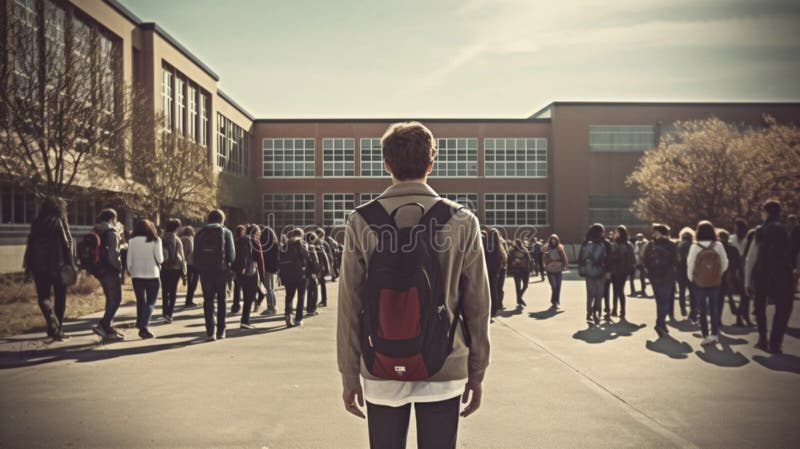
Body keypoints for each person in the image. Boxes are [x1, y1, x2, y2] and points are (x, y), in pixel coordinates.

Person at [337, 121, 490, 449]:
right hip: (444, 364)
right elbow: (478, 304)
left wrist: (350, 374)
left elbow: (350, 304)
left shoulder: (361, 221)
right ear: (431, 163)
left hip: (380, 363)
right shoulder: (462, 220)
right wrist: (477, 371)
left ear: (386, 164)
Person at [745, 200, 794, 354]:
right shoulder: (787, 230)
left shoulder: (760, 230)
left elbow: (751, 258)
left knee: (760, 307)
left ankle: (762, 340)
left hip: (762, 274)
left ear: (766, 213)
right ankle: (776, 342)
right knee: (783, 308)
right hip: (783, 275)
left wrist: (747, 280)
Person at [23, 197, 74, 341]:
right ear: (59, 208)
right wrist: (71, 265)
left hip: (39, 267)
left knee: (43, 297)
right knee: (60, 299)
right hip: (58, 266)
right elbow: (66, 244)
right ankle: (58, 330)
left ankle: (51, 322)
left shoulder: (36, 223)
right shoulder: (58, 221)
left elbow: (30, 246)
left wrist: (28, 267)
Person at [194, 209, 236, 341]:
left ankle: (210, 331)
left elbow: (195, 255)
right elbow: (232, 255)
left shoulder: (200, 233)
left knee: (208, 301)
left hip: (205, 271)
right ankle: (221, 330)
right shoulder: (226, 232)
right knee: (222, 300)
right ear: (222, 219)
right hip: (221, 271)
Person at [687, 221, 728, 346]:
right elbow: (725, 262)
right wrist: (718, 274)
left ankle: (705, 335)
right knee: (714, 308)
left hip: (699, 282)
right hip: (715, 281)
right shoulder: (718, 245)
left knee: (702, 309)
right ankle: (714, 334)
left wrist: (692, 278)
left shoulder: (695, 246)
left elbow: (690, 264)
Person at [90, 208, 125, 340]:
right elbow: (113, 254)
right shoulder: (111, 232)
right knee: (116, 299)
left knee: (110, 299)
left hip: (100, 269)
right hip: (110, 270)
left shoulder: (97, 230)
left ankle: (108, 329)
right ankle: (103, 324)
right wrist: (119, 268)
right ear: (112, 218)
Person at [126, 219, 163, 339]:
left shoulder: (132, 241)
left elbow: (129, 261)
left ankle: (139, 321)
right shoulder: (156, 240)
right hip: (152, 274)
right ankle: (144, 327)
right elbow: (160, 259)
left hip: (137, 275)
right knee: (150, 302)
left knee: (140, 300)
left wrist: (132, 271)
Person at [643, 223, 678, 338]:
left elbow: (644, 260)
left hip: (654, 276)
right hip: (668, 277)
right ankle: (660, 323)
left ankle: (661, 323)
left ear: (658, 232)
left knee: (659, 301)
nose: (653, 233)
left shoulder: (651, 245)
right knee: (666, 301)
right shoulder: (672, 245)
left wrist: (649, 271)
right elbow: (676, 261)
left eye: (654, 231)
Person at [232, 224, 266, 329]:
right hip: (251, 272)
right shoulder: (255, 242)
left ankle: (245, 320)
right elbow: (260, 261)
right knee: (249, 297)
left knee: (246, 295)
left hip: (239, 272)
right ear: (256, 232)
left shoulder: (238, 240)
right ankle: (245, 321)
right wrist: (262, 276)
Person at [278, 227, 313, 327]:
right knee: (300, 297)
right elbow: (307, 257)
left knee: (289, 296)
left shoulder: (285, 244)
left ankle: (288, 314)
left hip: (287, 274)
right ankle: (298, 319)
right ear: (301, 235)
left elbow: (279, 258)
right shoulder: (301, 243)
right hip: (300, 274)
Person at [578, 223, 612, 325]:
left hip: (589, 272)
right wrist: (608, 272)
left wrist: (583, 269)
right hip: (601, 272)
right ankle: (597, 312)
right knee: (599, 294)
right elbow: (609, 259)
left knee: (590, 293)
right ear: (601, 232)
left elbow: (580, 258)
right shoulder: (606, 243)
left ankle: (589, 312)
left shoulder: (586, 243)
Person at [160, 218, 186, 323]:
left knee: (164, 290)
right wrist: (184, 272)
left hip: (164, 268)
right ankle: (170, 314)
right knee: (173, 291)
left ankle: (165, 312)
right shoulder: (177, 239)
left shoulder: (160, 238)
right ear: (176, 227)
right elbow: (181, 257)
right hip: (175, 269)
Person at [719, 229, 745, 326]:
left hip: (721, 276)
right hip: (732, 275)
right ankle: (739, 318)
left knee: (720, 299)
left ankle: (718, 320)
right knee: (738, 297)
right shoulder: (733, 249)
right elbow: (738, 264)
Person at [609, 225, 635, 320]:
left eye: (616, 232)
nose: (614, 234)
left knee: (617, 291)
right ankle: (620, 311)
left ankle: (617, 310)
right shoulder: (628, 245)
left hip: (618, 270)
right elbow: (632, 259)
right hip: (622, 271)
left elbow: (611, 257)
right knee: (619, 291)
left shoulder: (616, 244)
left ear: (619, 233)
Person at [256, 225, 280, 315]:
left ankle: (270, 308)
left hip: (266, 268)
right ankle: (274, 306)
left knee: (268, 288)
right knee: (272, 288)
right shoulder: (275, 244)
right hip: (274, 268)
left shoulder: (264, 245)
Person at [542, 234, 568, 310]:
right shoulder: (547, 247)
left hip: (558, 269)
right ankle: (554, 301)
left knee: (558, 286)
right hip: (550, 270)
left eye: (555, 240)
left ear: (557, 240)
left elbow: (564, 257)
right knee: (554, 286)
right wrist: (545, 265)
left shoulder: (560, 247)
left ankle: (555, 301)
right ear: (550, 240)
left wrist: (565, 265)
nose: (553, 241)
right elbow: (544, 257)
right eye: (552, 240)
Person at [486, 228, 507, 317]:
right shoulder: (499, 246)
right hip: (496, 270)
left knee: (490, 290)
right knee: (495, 289)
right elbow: (504, 258)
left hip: (488, 270)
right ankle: (494, 309)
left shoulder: (485, 245)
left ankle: (491, 309)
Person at [676, 227, 695, 321]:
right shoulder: (694, 245)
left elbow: (677, 259)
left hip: (681, 271)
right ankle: (693, 311)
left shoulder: (679, 245)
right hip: (692, 272)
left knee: (682, 291)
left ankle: (683, 308)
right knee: (692, 293)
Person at [303, 231, 323, 317]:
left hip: (305, 272)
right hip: (312, 272)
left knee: (308, 291)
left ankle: (309, 308)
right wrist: (316, 271)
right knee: (314, 291)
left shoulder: (303, 246)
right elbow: (315, 262)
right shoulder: (311, 248)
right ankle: (312, 309)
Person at [508, 239, 531, 308]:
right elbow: (509, 260)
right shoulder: (512, 251)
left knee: (525, 285)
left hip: (524, 269)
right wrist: (514, 262)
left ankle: (519, 298)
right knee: (517, 286)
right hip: (516, 270)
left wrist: (520, 261)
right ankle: (520, 300)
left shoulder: (524, 250)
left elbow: (528, 259)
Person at [315, 227, 334, 307]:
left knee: (317, 284)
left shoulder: (319, 243)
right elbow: (330, 255)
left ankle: (321, 300)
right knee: (322, 283)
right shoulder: (325, 243)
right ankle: (323, 300)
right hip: (323, 266)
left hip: (320, 266)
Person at [180, 226, 199, 308]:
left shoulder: (181, 239)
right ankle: (189, 300)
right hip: (191, 264)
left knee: (188, 282)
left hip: (182, 263)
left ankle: (188, 300)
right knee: (193, 283)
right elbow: (191, 252)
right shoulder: (190, 239)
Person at [230, 225, 247, 314]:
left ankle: (236, 306)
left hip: (236, 267)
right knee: (245, 288)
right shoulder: (244, 242)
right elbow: (244, 256)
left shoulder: (234, 242)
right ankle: (245, 306)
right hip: (243, 267)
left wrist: (232, 268)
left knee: (237, 287)